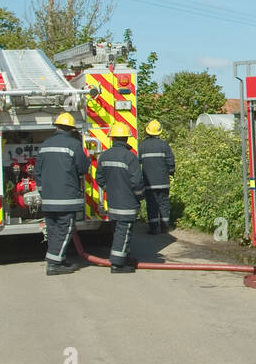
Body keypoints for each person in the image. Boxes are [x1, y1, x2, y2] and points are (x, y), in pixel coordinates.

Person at [37, 112, 89, 275]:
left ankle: (58, 258)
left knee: (53, 229)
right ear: (71, 129)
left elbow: (37, 171)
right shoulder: (74, 145)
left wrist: (42, 191)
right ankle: (54, 264)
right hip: (66, 196)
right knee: (65, 228)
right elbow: (82, 168)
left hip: (48, 197)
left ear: (57, 127)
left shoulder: (45, 144)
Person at [98, 121, 144, 273]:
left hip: (113, 202)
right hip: (127, 202)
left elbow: (100, 179)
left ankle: (124, 256)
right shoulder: (130, 157)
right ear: (126, 139)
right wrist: (139, 196)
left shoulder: (104, 156)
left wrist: (109, 189)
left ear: (112, 138)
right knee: (124, 231)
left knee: (118, 231)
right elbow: (137, 183)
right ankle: (117, 264)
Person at [138, 119, 176, 233]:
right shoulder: (164, 145)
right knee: (164, 203)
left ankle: (153, 228)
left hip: (149, 183)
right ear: (159, 132)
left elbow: (136, 162)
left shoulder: (142, 146)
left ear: (147, 131)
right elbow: (171, 163)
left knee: (152, 205)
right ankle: (165, 226)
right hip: (164, 182)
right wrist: (170, 173)